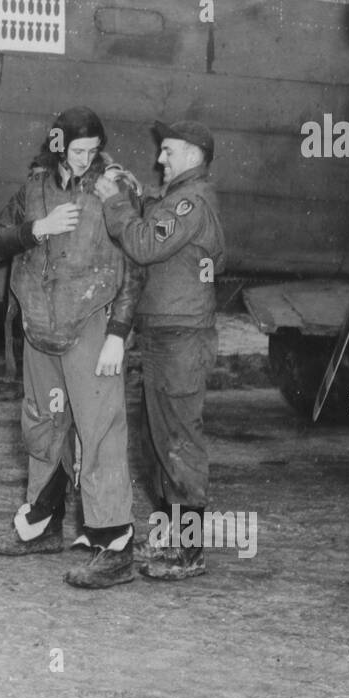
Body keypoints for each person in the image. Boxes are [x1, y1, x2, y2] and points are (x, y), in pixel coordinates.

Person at [0, 106, 145, 589]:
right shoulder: (34, 189)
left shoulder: (115, 188)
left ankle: (113, 544)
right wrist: (37, 229)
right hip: (40, 325)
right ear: (57, 146)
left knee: (100, 434)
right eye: (76, 150)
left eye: (93, 150)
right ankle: (40, 526)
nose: (85, 160)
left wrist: (118, 333)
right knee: (42, 425)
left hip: (92, 324)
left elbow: (135, 264)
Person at [96, 119, 226, 580]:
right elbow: (157, 219)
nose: (160, 159)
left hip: (180, 337)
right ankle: (174, 543)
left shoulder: (190, 202)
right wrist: (135, 195)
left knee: (178, 443)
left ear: (193, 155)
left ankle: (189, 554)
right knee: (161, 442)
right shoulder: (179, 201)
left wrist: (114, 202)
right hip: (168, 333)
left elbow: (144, 243)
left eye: (168, 151)